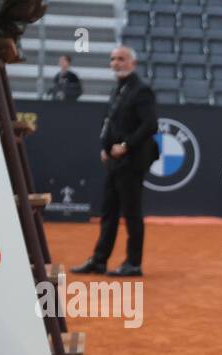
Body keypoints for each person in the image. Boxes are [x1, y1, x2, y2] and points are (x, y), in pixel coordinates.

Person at [74, 47, 159, 277]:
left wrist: (126, 145)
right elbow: (110, 122)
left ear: (133, 63)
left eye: (121, 59)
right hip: (114, 161)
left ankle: (133, 263)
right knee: (108, 212)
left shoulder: (141, 90)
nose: (116, 63)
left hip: (132, 161)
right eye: (112, 59)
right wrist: (105, 148)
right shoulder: (118, 89)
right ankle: (100, 260)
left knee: (131, 213)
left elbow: (150, 125)